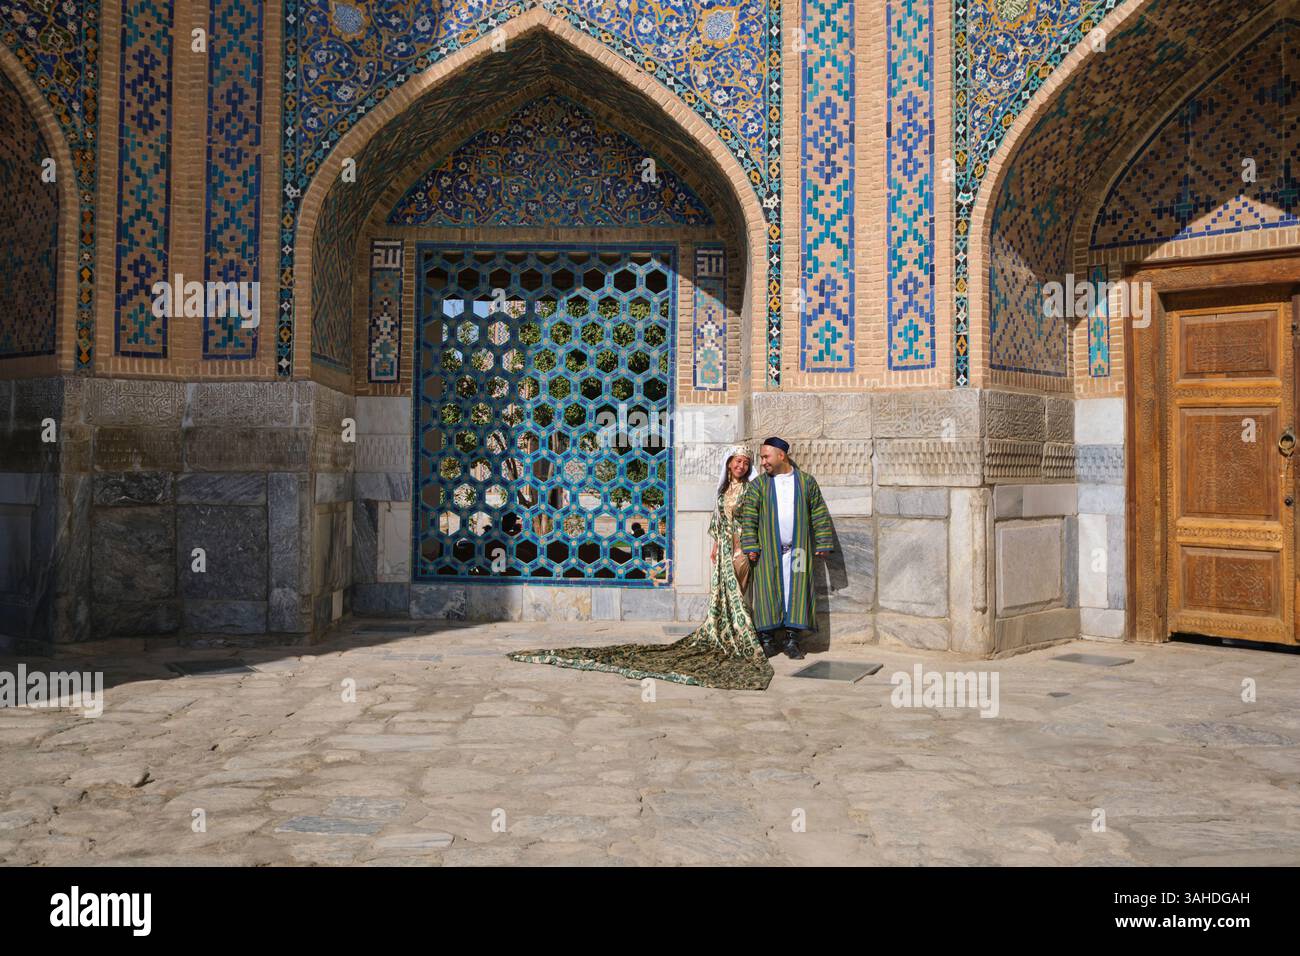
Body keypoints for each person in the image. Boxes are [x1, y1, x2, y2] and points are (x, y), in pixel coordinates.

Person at [507, 445, 773, 690]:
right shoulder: (724, 490)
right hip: (723, 551)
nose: (742, 467)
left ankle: (742, 639)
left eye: (746, 463)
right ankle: (727, 637)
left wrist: (746, 547)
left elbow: (753, 520)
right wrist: (715, 546)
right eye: (738, 462)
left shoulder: (751, 489)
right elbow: (718, 520)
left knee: (739, 596)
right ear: (728, 464)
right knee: (723, 596)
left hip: (740, 549)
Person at [738, 436, 834, 660]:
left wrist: (823, 543)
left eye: (765, 456)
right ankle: (768, 641)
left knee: (797, 591)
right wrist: (751, 545)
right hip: (768, 551)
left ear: (781, 455)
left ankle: (792, 641)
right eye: (762, 457)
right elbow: (749, 518)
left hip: (798, 550)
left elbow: (819, 514)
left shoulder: (806, 482)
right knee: (766, 593)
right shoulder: (759, 485)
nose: (762, 462)